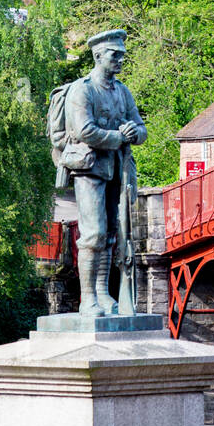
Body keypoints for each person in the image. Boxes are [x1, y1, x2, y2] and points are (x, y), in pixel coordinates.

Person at [61, 29, 147, 318]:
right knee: (94, 233)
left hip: (117, 170)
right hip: (89, 169)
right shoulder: (82, 90)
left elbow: (141, 128)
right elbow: (84, 130)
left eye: (122, 54)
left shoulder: (122, 91)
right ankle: (87, 299)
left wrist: (135, 132)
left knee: (112, 233)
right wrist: (119, 137)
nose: (121, 59)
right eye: (115, 54)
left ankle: (102, 293)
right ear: (99, 56)